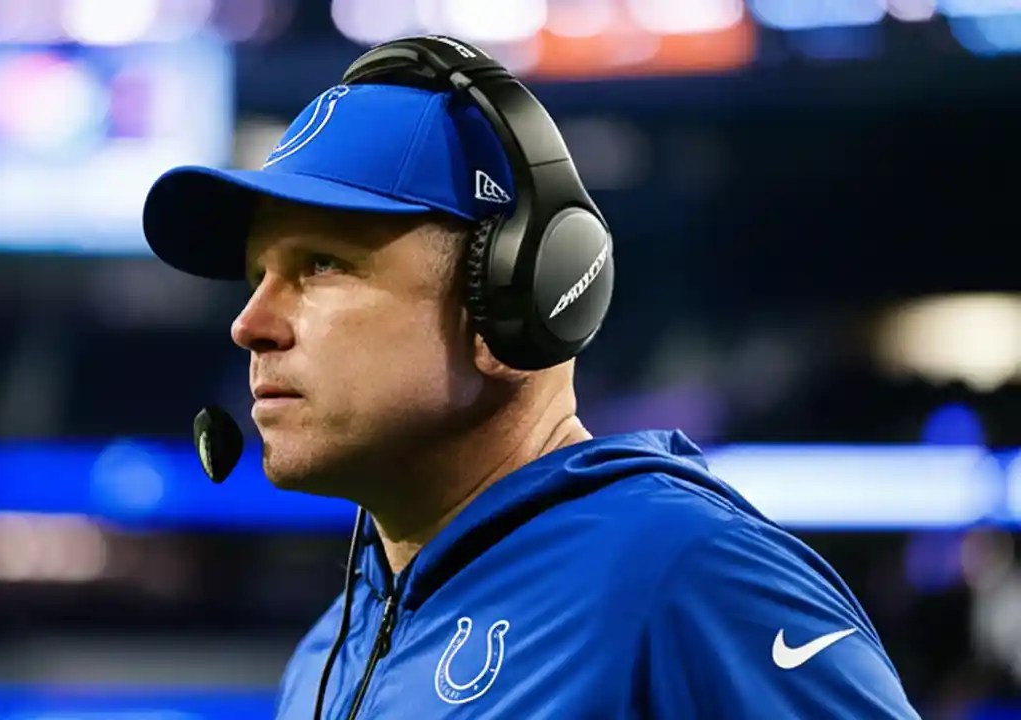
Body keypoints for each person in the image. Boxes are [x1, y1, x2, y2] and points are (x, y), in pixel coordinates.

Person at [141, 35, 920, 720]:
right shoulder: (325, 652)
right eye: (256, 275)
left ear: (508, 300)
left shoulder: (687, 576)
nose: (251, 323)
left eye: (321, 265)